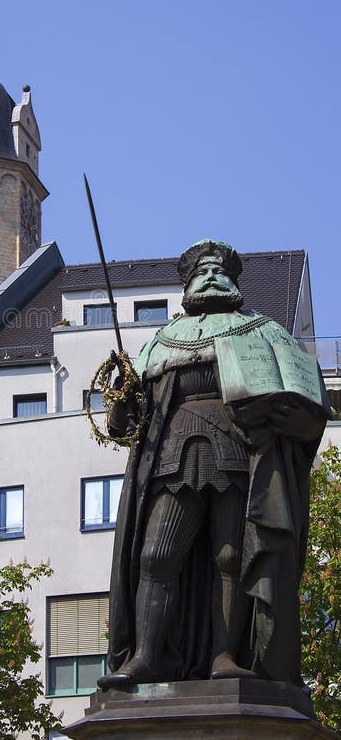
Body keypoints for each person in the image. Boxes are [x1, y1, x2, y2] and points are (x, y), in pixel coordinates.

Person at [97, 239, 329, 690]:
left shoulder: (263, 330)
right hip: (171, 456)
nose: (210, 276)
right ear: (186, 285)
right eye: (200, 271)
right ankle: (146, 656)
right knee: (157, 554)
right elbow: (126, 422)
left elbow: (308, 401)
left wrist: (294, 416)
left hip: (241, 454)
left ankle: (225, 654)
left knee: (231, 555)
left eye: (218, 270)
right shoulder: (160, 340)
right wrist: (121, 399)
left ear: (233, 280)